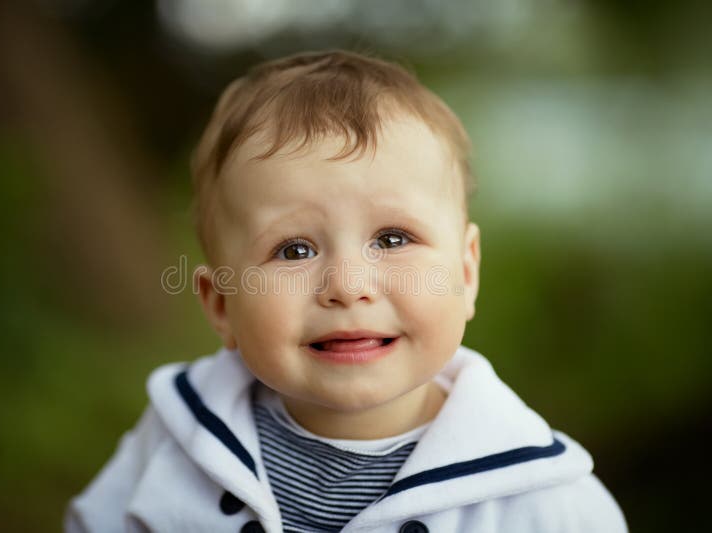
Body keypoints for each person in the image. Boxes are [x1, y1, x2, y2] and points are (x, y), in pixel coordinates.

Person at [65, 49, 627, 532]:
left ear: (466, 273)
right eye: (294, 250)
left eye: (392, 237)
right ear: (221, 305)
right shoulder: (178, 438)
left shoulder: (543, 498)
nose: (348, 287)